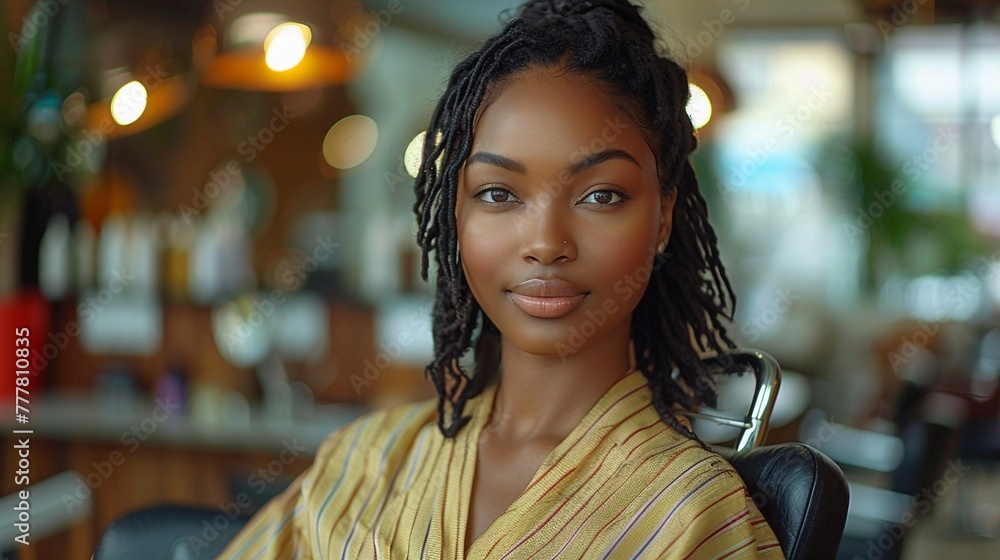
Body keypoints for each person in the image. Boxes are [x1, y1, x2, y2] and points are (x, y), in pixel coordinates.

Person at [220, 0, 785, 557]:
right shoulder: (365, 459)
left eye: (600, 195)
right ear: (456, 215)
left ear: (662, 217)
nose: (544, 242)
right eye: (498, 193)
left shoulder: (695, 516)